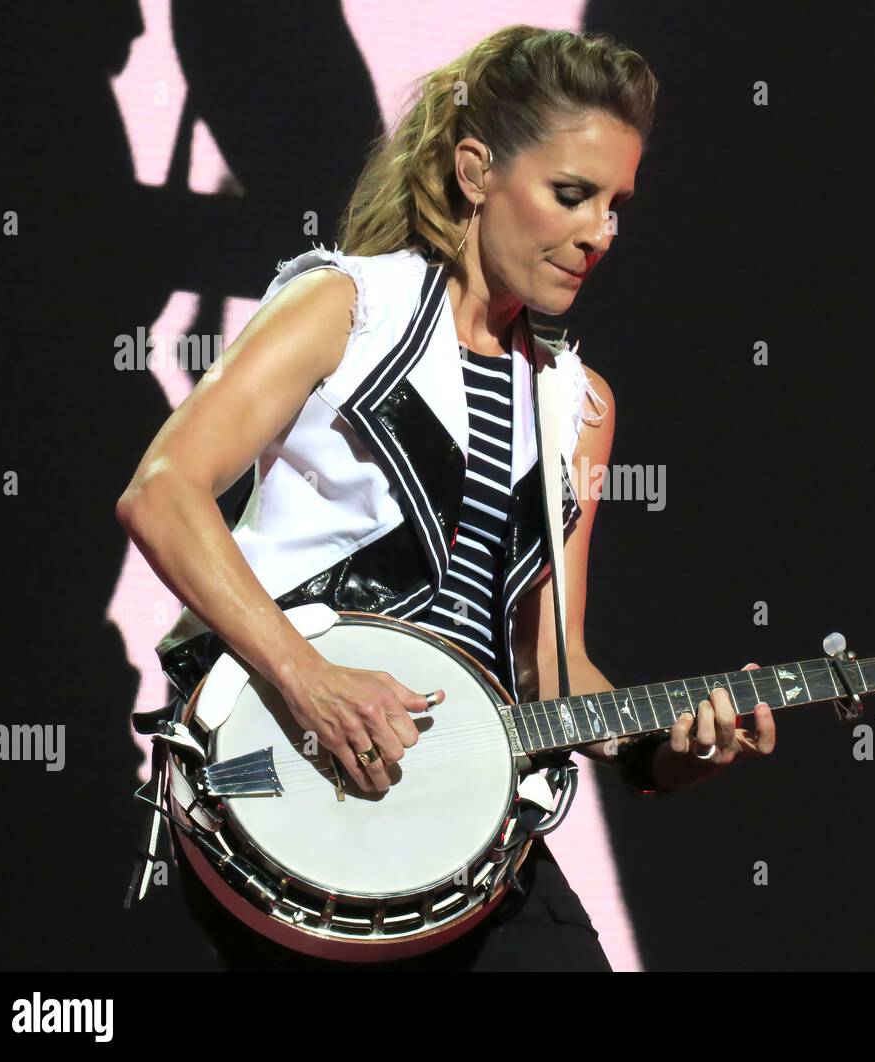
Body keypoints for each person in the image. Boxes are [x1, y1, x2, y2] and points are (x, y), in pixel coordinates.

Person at [117, 25, 776, 972]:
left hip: (470, 839)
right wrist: (308, 679)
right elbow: (163, 493)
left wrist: (671, 751)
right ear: (475, 171)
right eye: (571, 194)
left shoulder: (579, 407)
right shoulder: (347, 308)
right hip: (281, 806)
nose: (600, 233)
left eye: (618, 205)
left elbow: (554, 673)